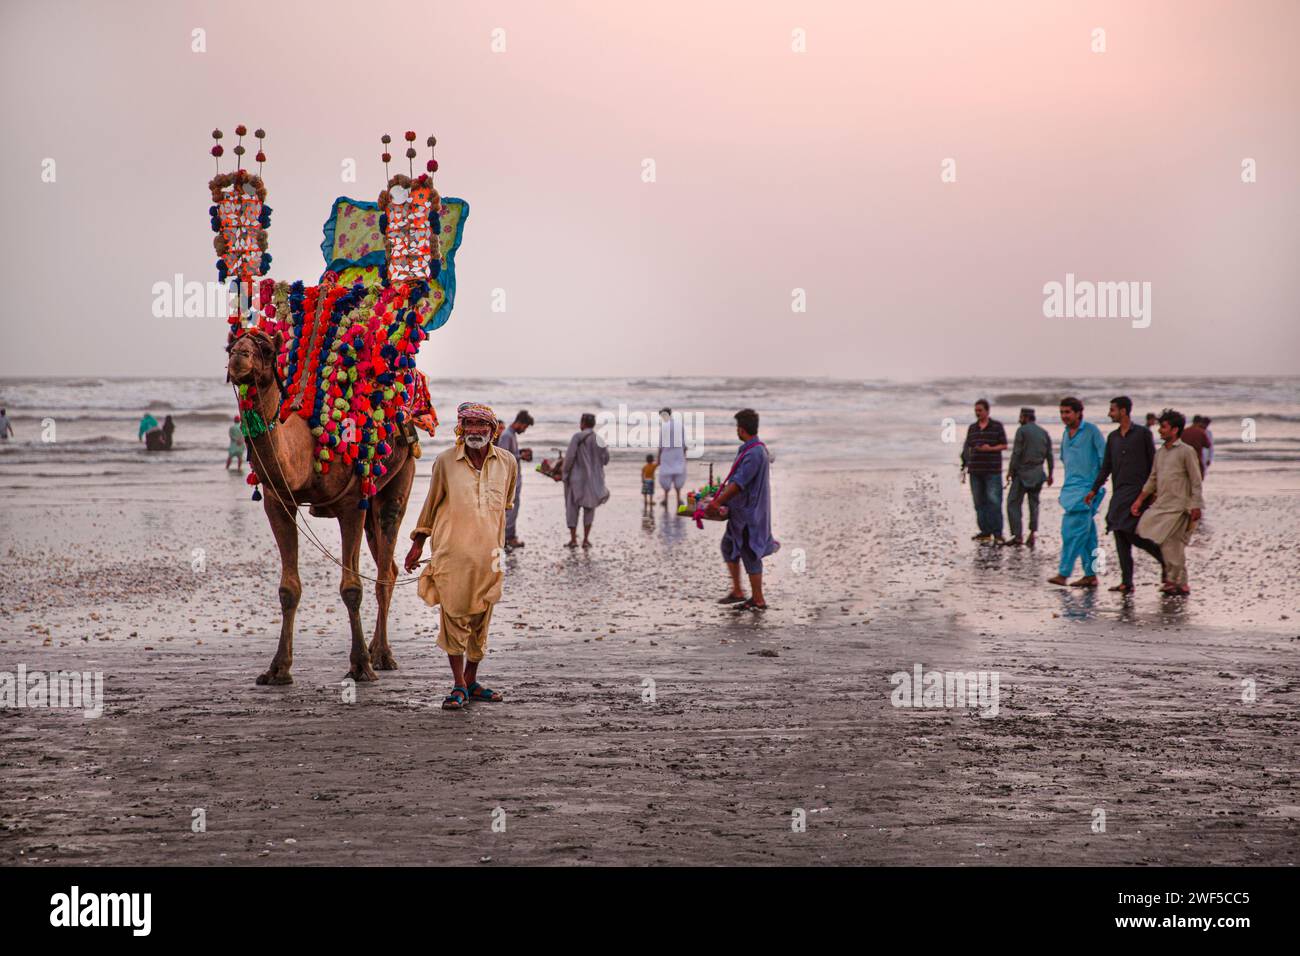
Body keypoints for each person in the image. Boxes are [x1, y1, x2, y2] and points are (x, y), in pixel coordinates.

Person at [404, 401, 517, 711]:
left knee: (482, 619)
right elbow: (430, 505)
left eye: (482, 426)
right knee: (453, 616)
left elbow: (505, 507)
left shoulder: (508, 463)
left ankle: (471, 681)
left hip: (490, 556)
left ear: (493, 431)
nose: (475, 431)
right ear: (460, 428)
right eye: (469, 425)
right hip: (451, 552)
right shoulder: (444, 462)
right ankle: (457, 685)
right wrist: (418, 543)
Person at [1084, 396, 1162, 594]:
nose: (1109, 414)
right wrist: (1094, 489)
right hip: (1119, 492)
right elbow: (1107, 467)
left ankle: (1165, 560)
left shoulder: (1142, 434)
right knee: (1119, 533)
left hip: (1138, 492)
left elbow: (1153, 463)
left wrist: (1153, 492)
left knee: (1132, 533)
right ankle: (1126, 581)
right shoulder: (1113, 437)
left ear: (1124, 411)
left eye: (1112, 410)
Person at [707, 408, 777, 612]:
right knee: (728, 547)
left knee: (749, 552)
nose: (736, 430)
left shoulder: (755, 453)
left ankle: (758, 599)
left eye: (737, 427)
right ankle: (738, 591)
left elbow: (739, 483)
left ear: (741, 429)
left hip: (749, 513)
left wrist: (717, 502)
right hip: (739, 511)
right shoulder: (753, 448)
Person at [1133, 409, 1204, 596]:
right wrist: (1139, 500)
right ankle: (1174, 580)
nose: (1160, 431)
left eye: (1163, 427)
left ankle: (1179, 582)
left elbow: (1196, 480)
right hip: (1163, 505)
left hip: (1181, 507)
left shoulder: (1186, 452)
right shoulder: (1160, 454)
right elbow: (1152, 479)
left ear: (1175, 430)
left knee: (1174, 545)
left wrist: (1196, 505)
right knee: (1151, 534)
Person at [1048, 397, 1106, 588]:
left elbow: (1105, 459)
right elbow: (1066, 460)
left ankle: (1063, 573)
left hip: (1087, 490)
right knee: (1087, 535)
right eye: (1062, 412)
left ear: (1079, 412)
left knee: (1071, 533)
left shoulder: (1091, 431)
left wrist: (1095, 487)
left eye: (1068, 412)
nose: (1064, 416)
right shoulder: (1065, 434)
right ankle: (1090, 575)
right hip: (1070, 490)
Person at [1004, 407, 1054, 547]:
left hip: (1023, 473)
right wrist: (1051, 474)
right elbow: (1049, 455)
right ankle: (1032, 534)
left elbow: (1016, 453)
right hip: (1038, 472)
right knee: (1034, 504)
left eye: (1020, 417)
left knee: (1013, 503)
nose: (1019, 419)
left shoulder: (1022, 431)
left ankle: (1018, 535)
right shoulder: (1043, 432)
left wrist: (1010, 471)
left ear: (1025, 417)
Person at [960, 399, 1008, 543]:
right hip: (975, 470)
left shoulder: (997, 426)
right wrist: (964, 464)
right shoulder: (972, 428)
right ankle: (985, 532)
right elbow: (967, 447)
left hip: (992, 470)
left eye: (980, 410)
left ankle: (998, 533)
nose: (977, 413)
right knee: (979, 502)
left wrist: (990, 449)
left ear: (987, 411)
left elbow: (1004, 445)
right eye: (976, 410)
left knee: (994, 501)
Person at [562, 412, 610, 548]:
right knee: (590, 509)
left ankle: (573, 539)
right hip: (594, 480)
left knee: (572, 509)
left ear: (582, 423)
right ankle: (586, 540)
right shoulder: (600, 439)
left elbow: (569, 457)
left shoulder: (577, 437)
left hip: (576, 479)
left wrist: (564, 474)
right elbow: (606, 460)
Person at [495, 410, 534, 550]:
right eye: (525, 427)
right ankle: (509, 537)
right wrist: (520, 456)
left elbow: (510, 454)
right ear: (520, 423)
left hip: (513, 478)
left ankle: (508, 537)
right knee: (511, 508)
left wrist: (520, 453)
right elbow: (504, 458)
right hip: (510, 480)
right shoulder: (507, 435)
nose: (525, 430)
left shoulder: (510, 435)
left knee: (512, 508)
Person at [657, 407, 688, 510]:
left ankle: (666, 499)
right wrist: (684, 455)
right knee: (678, 476)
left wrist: (658, 458)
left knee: (666, 476)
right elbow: (684, 443)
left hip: (667, 454)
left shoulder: (664, 426)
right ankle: (678, 499)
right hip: (678, 453)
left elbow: (660, 444)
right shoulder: (679, 425)